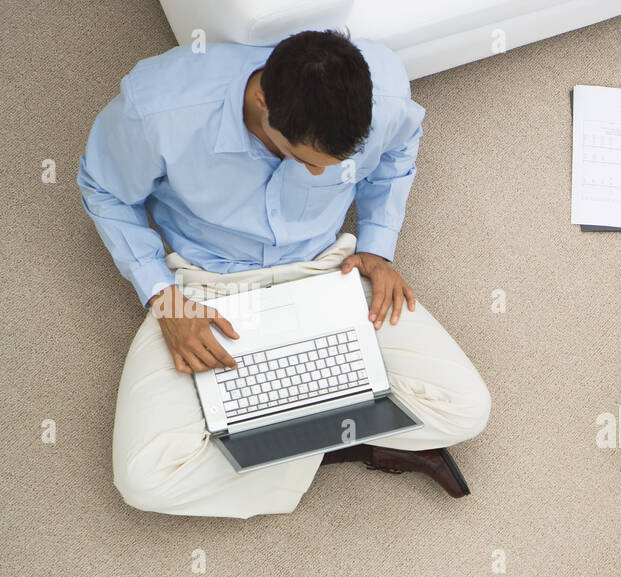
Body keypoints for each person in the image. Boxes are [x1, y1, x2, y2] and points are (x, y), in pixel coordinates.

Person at [78, 30, 490, 518]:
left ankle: (275, 440)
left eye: (332, 167)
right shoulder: (157, 108)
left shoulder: (385, 93)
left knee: (467, 409)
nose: (318, 176)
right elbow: (103, 189)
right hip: (206, 287)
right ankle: (354, 440)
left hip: (326, 271)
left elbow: (399, 152)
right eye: (302, 161)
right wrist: (163, 299)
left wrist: (378, 247)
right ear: (262, 101)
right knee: (145, 480)